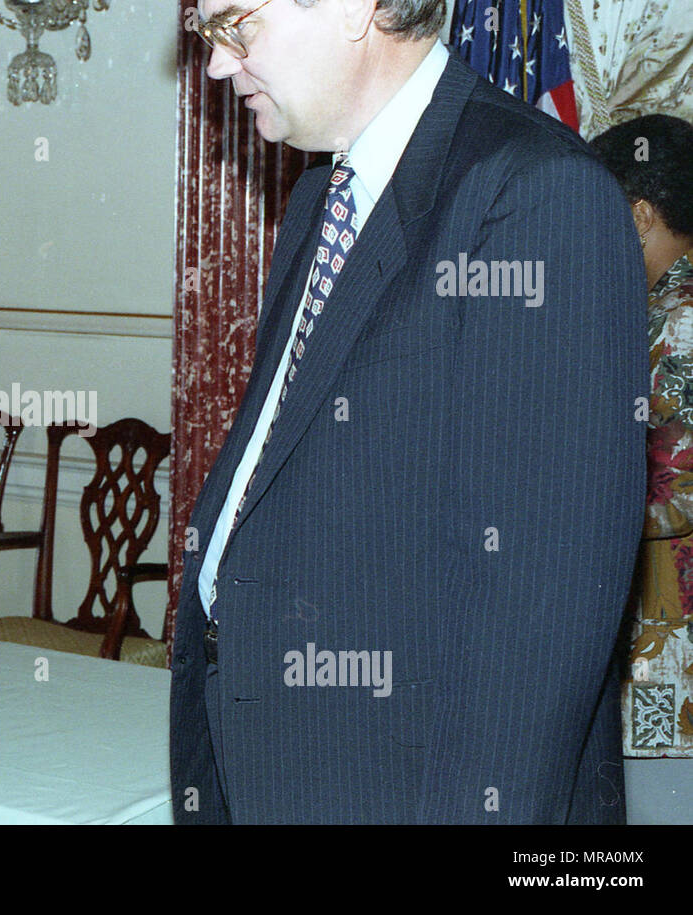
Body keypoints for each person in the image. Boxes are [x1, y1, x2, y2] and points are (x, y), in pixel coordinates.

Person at [172, 0, 647, 823]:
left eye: (235, 25)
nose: (217, 66)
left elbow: (542, 611)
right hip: (264, 758)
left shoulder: (538, 194)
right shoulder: (325, 192)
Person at [592, 114, 693, 757]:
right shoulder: (657, 314)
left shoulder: (677, 325)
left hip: (672, 656)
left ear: (637, 216)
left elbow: (678, 491)